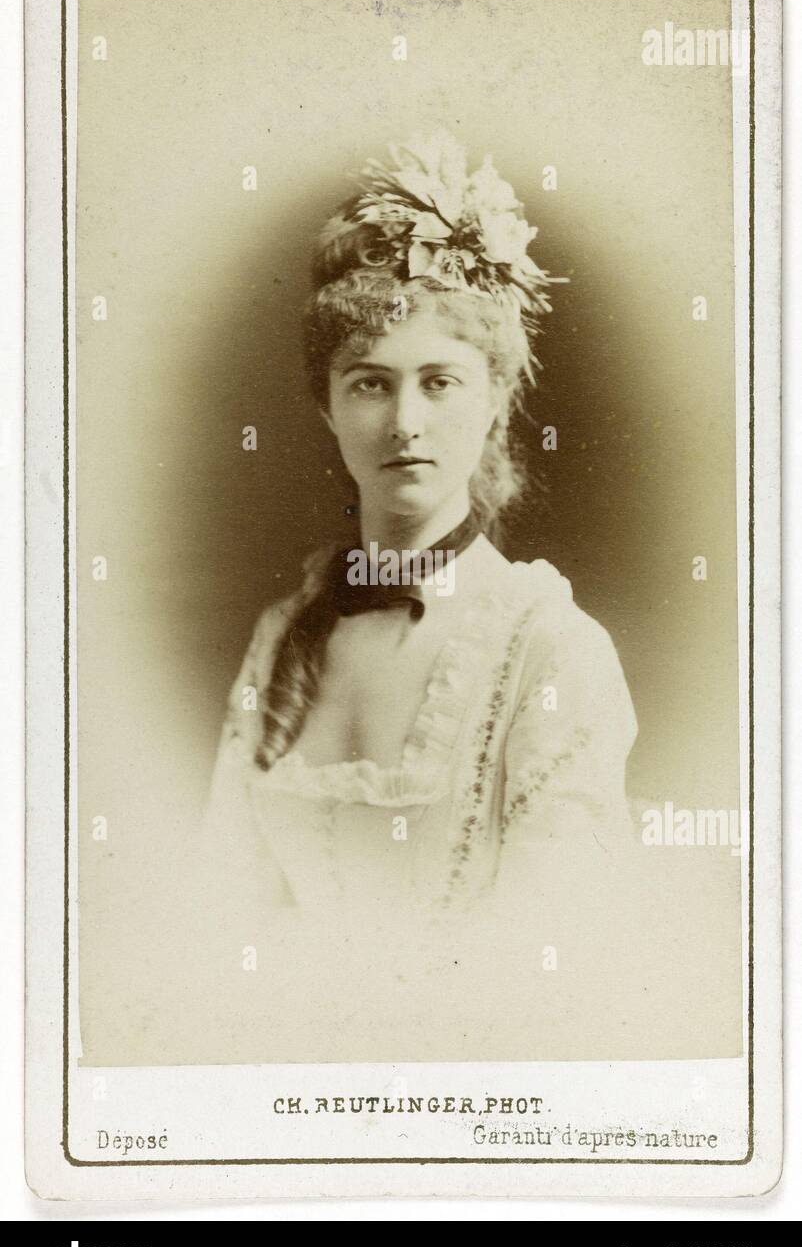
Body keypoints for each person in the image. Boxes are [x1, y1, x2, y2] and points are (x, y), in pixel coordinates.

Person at [196, 130, 641, 1061]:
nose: (405, 422)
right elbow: (218, 913)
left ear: (495, 402)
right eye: (370, 385)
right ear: (325, 406)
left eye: (440, 382)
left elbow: (552, 957)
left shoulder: (554, 650)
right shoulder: (282, 637)